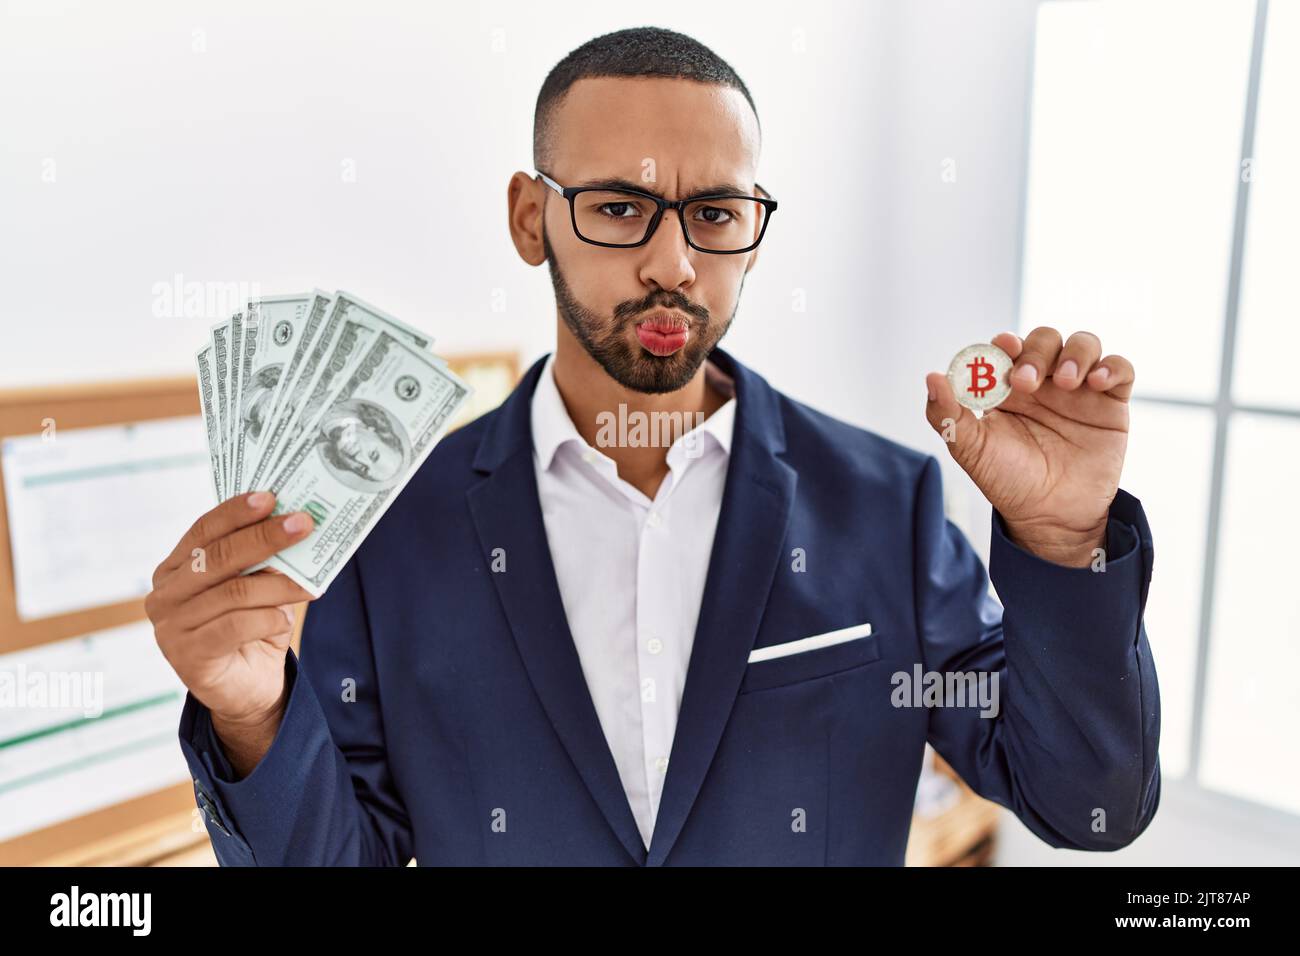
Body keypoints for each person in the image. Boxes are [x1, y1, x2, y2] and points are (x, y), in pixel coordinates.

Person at [146, 27, 1159, 866]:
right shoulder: (393, 525)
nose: (673, 263)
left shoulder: (881, 504)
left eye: (715, 213)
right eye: (620, 207)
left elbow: (1088, 803)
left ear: (753, 234)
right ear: (530, 217)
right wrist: (249, 715)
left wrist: (1064, 540)